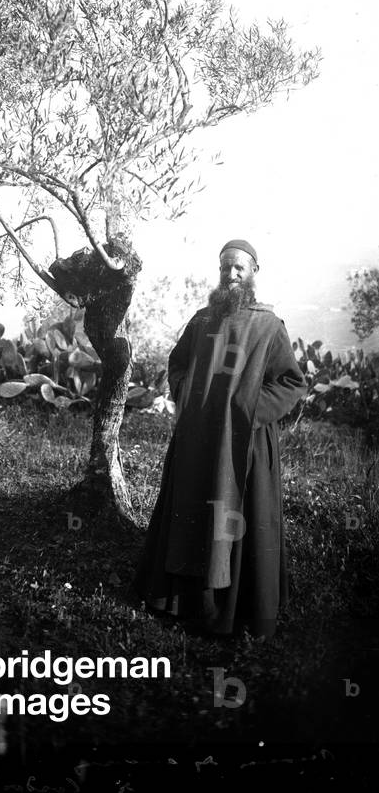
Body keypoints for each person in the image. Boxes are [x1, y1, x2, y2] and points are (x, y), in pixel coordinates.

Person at [134, 240, 307, 639]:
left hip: (243, 443)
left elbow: (291, 381)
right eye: (226, 267)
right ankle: (184, 601)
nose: (231, 274)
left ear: (253, 273)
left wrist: (247, 410)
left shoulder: (269, 326)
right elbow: (176, 365)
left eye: (239, 268)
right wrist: (189, 396)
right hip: (197, 440)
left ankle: (236, 610)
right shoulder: (201, 321)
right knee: (193, 513)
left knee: (236, 521)